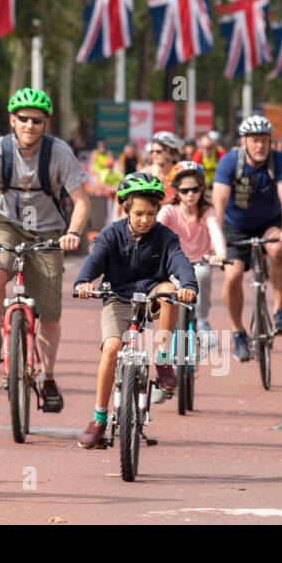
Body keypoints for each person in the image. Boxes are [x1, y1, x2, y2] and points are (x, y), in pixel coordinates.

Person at [0, 88, 90, 413]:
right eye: (23, 119)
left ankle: (48, 377)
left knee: (50, 313)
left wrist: (72, 233)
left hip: (48, 230)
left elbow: (81, 201)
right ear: (12, 120)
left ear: (46, 123)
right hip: (7, 223)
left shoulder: (59, 152)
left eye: (37, 120)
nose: (30, 125)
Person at [73, 173, 197, 448]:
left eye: (151, 213)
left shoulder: (165, 237)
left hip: (151, 296)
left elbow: (180, 262)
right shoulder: (110, 235)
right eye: (139, 213)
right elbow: (94, 260)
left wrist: (188, 285)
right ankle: (98, 419)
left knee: (169, 292)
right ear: (125, 209)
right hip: (118, 298)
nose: (145, 220)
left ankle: (162, 360)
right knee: (112, 348)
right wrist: (83, 281)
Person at [213, 115, 282, 360]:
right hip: (235, 226)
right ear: (244, 142)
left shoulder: (279, 161)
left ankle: (279, 310)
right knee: (234, 275)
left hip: (268, 223)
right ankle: (238, 330)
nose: (260, 145)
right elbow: (218, 204)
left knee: (277, 249)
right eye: (254, 141)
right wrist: (216, 239)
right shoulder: (230, 162)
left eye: (264, 140)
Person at [157, 161, 225, 342]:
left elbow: (216, 231)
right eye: (184, 190)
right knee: (171, 289)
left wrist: (220, 253)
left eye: (195, 189)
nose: (190, 194)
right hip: (173, 266)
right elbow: (154, 234)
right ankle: (169, 338)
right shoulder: (168, 211)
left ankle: (203, 321)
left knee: (202, 274)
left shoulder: (207, 211)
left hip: (199, 262)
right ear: (176, 191)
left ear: (202, 189)